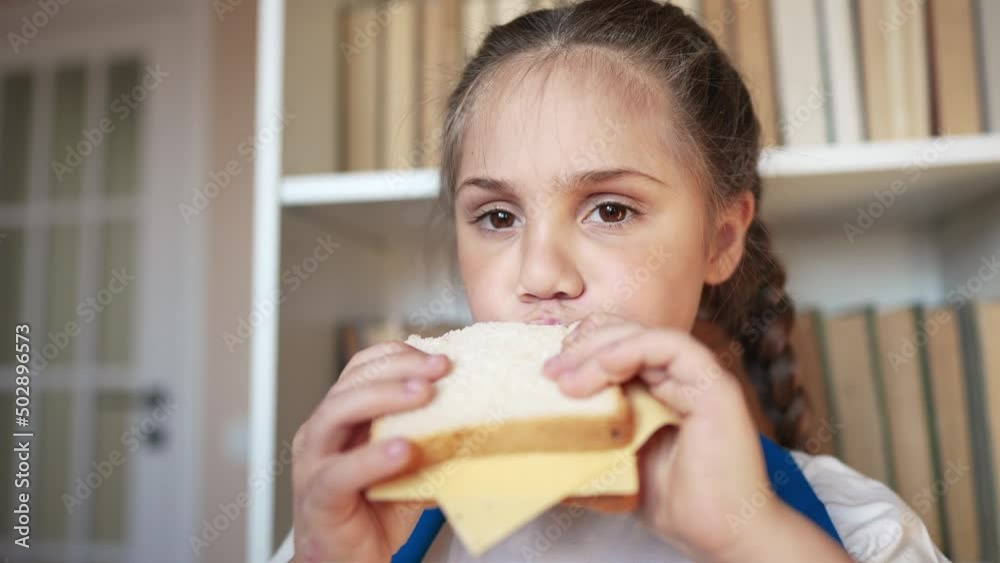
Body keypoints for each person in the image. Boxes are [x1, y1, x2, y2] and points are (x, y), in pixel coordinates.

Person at [275, 1, 949, 561]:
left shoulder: (866, 531)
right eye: (498, 215)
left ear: (720, 239)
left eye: (611, 209)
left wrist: (753, 537)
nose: (541, 275)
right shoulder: (361, 524)